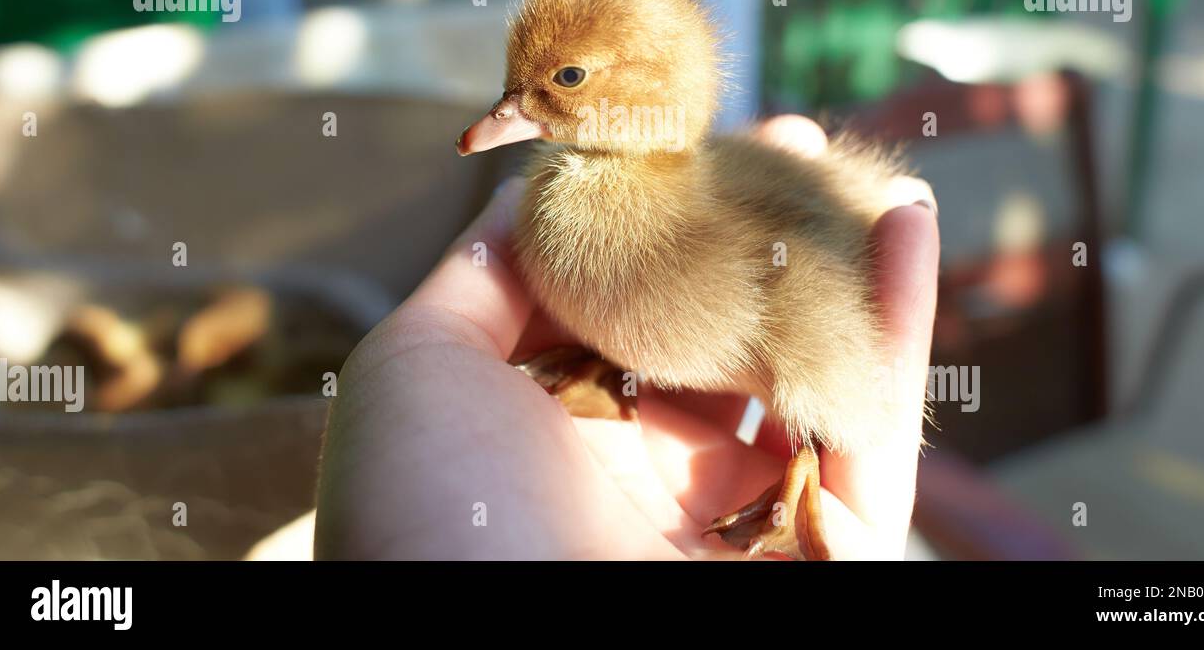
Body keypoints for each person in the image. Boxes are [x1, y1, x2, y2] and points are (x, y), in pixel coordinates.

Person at [314, 116, 939, 559]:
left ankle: (801, 473)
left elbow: (816, 288)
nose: (498, 119)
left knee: (808, 351)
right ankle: (607, 369)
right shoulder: (565, 198)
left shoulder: (632, 206)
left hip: (804, 312)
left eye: (564, 81)